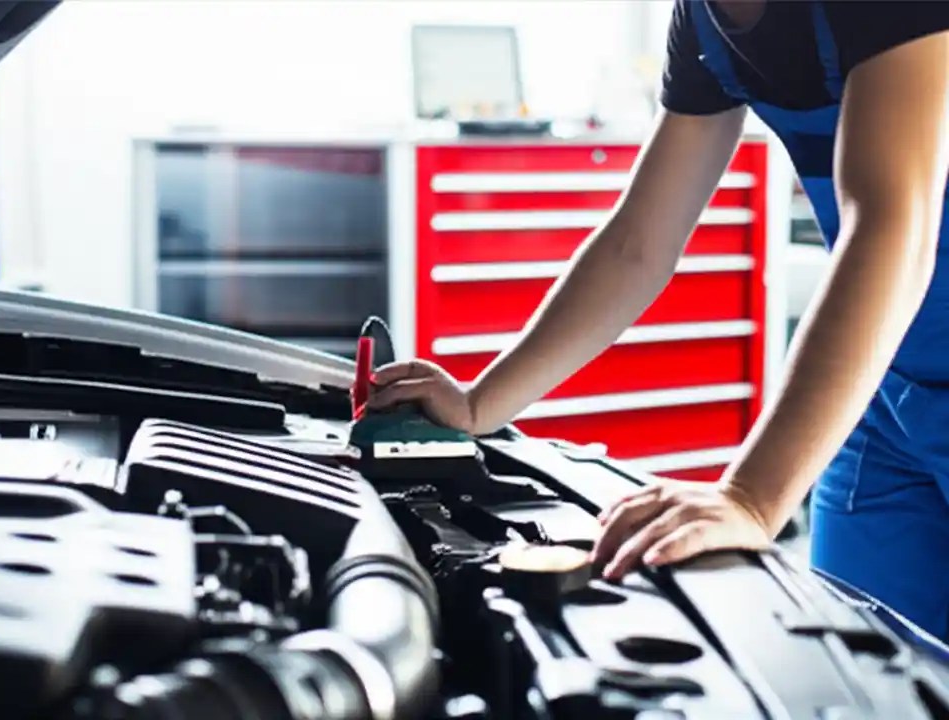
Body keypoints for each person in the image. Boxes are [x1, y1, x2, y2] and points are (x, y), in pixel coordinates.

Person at [369, 0, 949, 640]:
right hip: (887, 396)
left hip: (905, 351)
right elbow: (637, 247)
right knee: (868, 674)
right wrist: (481, 404)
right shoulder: (704, 19)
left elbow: (893, 226)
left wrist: (751, 499)